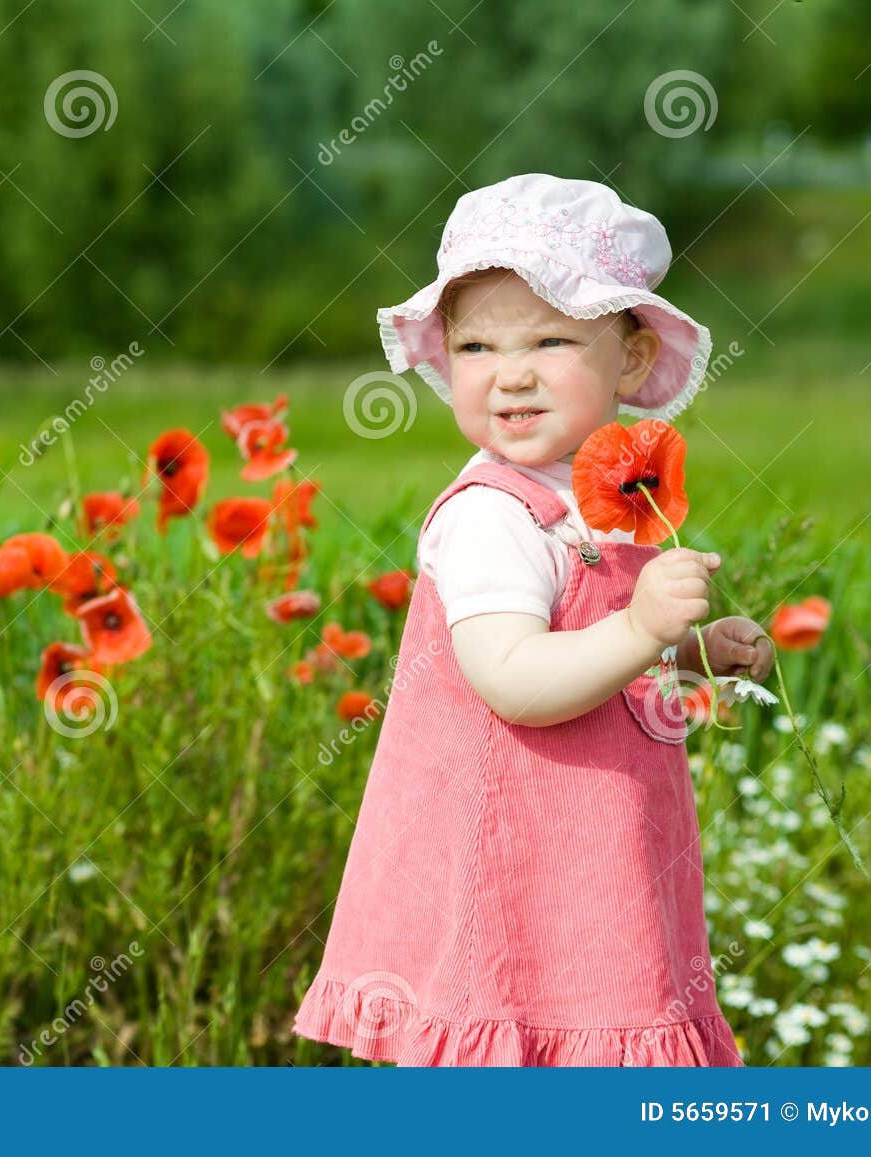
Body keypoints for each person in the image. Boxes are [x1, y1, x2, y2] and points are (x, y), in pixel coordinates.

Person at [292, 173, 774, 1066]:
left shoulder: (606, 502)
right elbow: (514, 676)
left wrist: (691, 646)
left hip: (593, 870)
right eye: (475, 345)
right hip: (512, 881)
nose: (509, 373)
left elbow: (599, 646)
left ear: (629, 361)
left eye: (550, 339)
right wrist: (639, 630)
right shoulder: (492, 518)